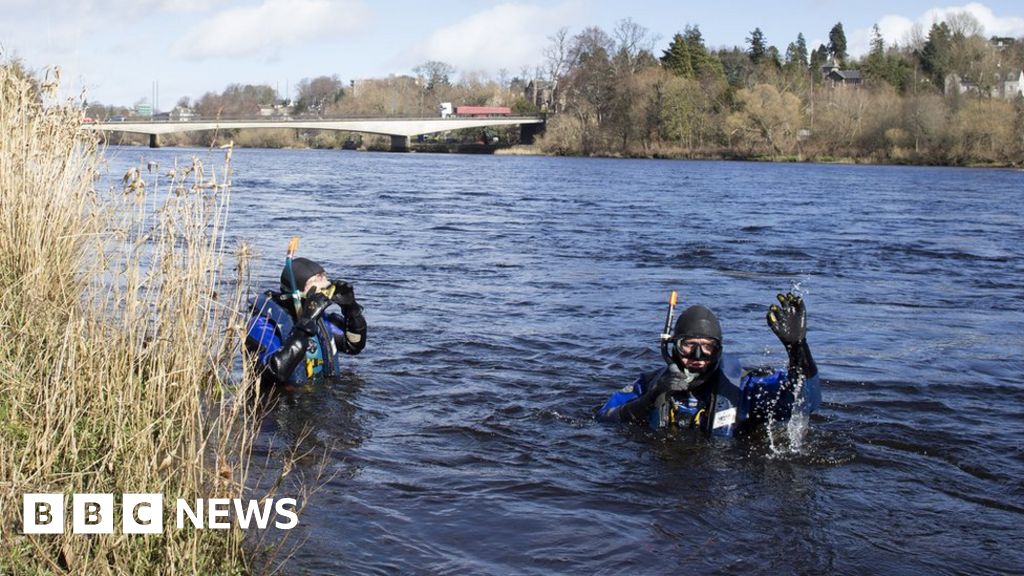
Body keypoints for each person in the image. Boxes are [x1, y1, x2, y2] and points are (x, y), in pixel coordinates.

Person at [595, 292, 820, 438]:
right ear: (673, 347)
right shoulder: (650, 384)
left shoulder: (742, 387)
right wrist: (650, 398)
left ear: (719, 351)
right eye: (689, 345)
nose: (698, 355)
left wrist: (797, 349)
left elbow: (806, 401)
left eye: (707, 347)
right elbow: (604, 417)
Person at [246, 257, 367, 386]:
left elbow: (353, 345)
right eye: (317, 281)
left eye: (324, 278)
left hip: (318, 395)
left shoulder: (320, 321)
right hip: (281, 400)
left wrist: (352, 309)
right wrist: (304, 326)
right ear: (298, 293)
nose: (325, 285)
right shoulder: (262, 325)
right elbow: (275, 371)